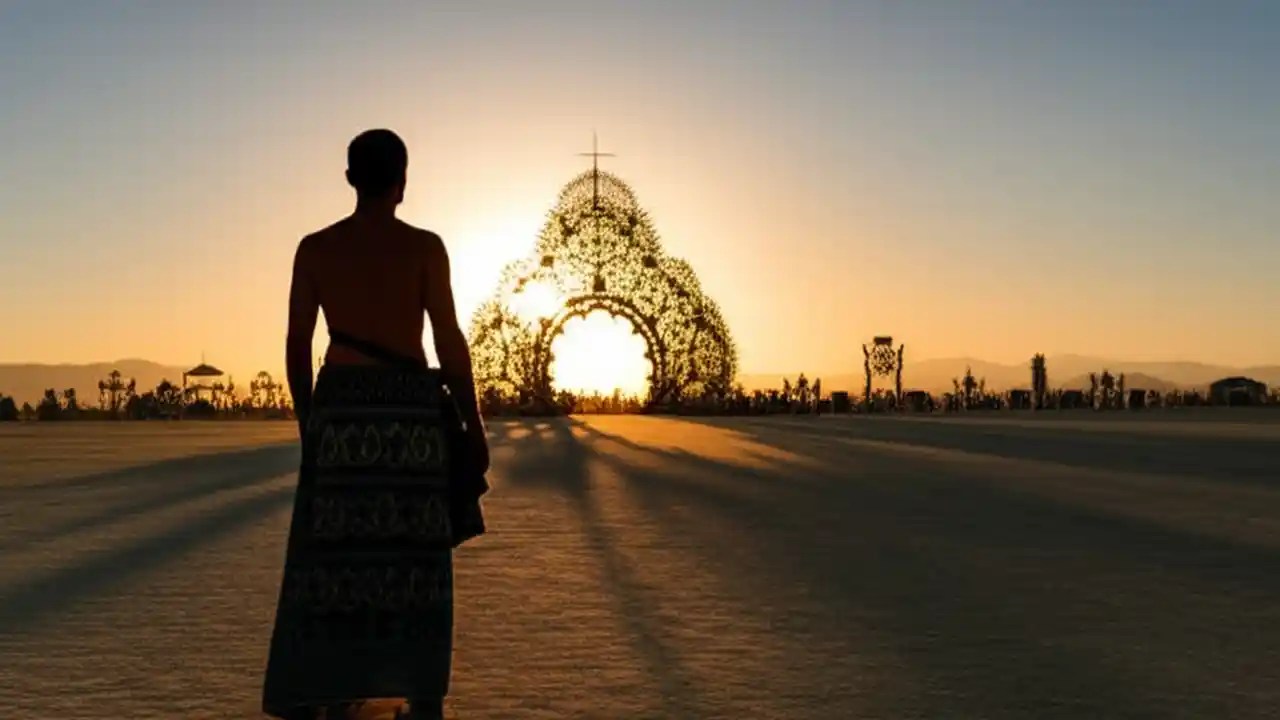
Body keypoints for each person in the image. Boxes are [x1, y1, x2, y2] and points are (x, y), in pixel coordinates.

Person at [262, 129, 490, 720]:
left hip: (342, 412)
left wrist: (310, 421)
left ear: (349, 179)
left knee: (335, 558)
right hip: (410, 416)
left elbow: (297, 343)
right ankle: (422, 695)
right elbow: (449, 338)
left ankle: (330, 688)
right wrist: (473, 423)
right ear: (402, 181)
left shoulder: (316, 249)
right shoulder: (425, 248)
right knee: (417, 559)